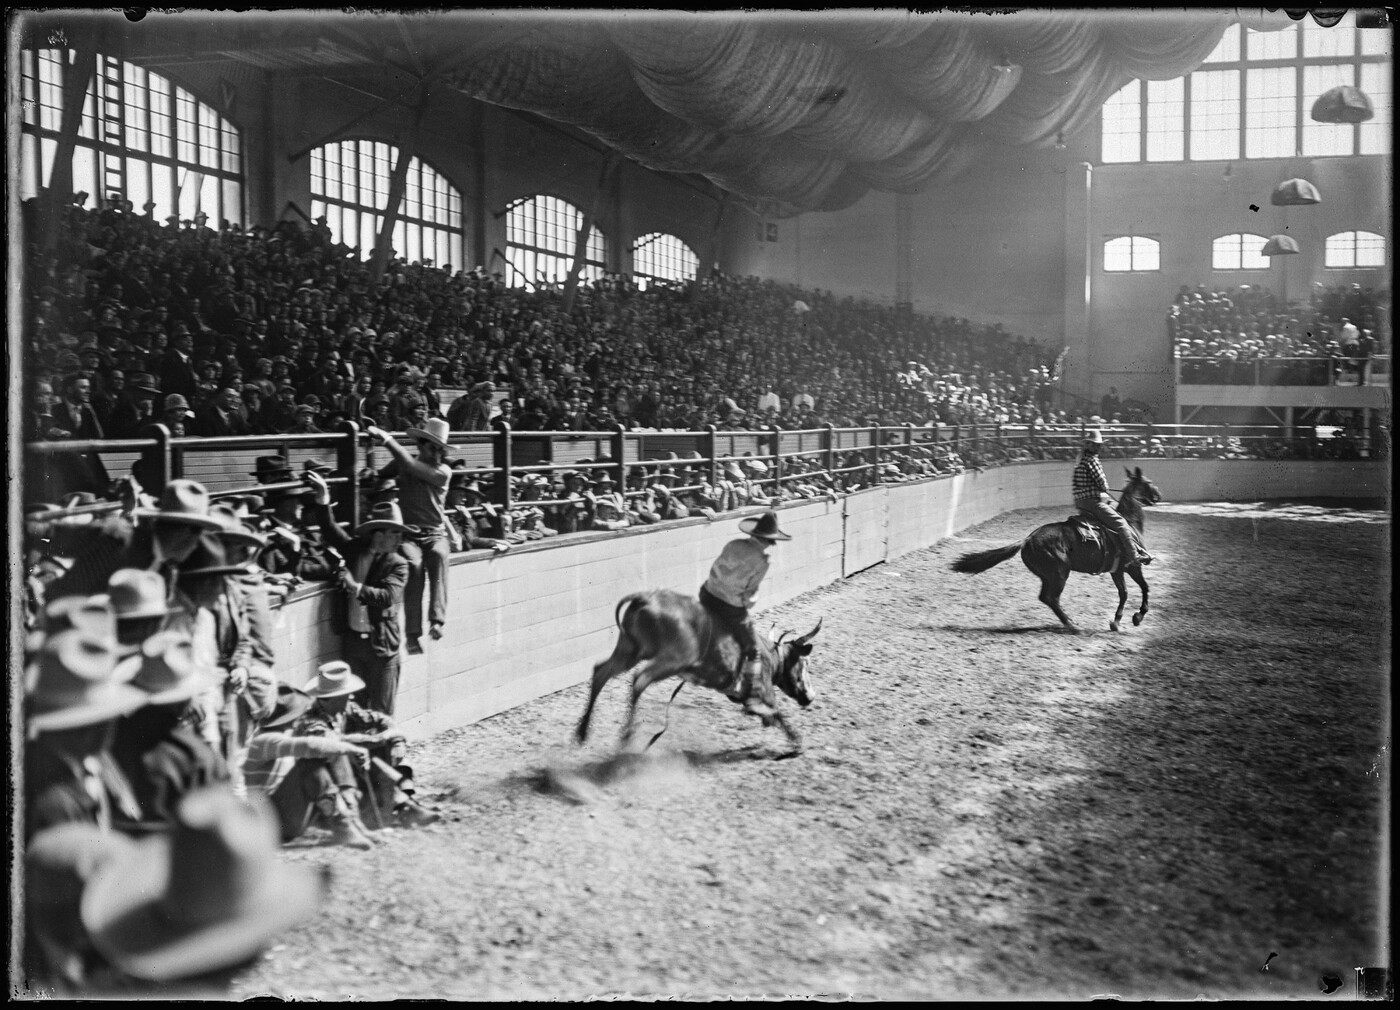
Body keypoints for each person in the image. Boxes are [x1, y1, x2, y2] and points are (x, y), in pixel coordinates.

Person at [306, 472, 411, 715]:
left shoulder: (399, 563)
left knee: (382, 712)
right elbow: (330, 529)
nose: (399, 539)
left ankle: (382, 752)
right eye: (394, 533)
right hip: (354, 643)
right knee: (357, 710)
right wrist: (323, 499)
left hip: (382, 647)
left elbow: (386, 597)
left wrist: (353, 586)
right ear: (379, 534)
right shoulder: (356, 550)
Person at [242, 681, 379, 849]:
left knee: (333, 751)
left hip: (281, 815)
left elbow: (324, 744)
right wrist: (351, 748)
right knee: (310, 765)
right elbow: (310, 746)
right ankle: (344, 827)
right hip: (267, 822)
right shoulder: (263, 741)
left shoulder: (283, 736)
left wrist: (346, 748)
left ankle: (353, 822)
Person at [367, 417, 452, 654]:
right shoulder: (406, 464)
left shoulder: (443, 471)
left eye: (440, 449)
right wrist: (372, 476)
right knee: (413, 565)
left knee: (437, 555)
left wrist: (385, 438)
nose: (437, 454)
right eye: (432, 447)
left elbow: (411, 466)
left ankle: (437, 620)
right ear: (421, 446)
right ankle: (412, 634)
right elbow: (382, 476)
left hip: (435, 534)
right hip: (410, 535)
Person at [698, 509, 792, 716]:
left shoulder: (733, 545)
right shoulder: (763, 561)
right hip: (729, 606)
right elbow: (749, 593)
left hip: (707, 595)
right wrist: (747, 604)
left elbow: (715, 570)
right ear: (769, 540)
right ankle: (750, 696)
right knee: (753, 649)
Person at [1073, 429, 1153, 567]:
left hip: (1081, 502)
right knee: (1121, 523)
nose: (1097, 447)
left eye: (1098, 445)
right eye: (1094, 445)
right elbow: (1102, 484)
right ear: (1088, 445)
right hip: (1093, 502)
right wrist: (1104, 488)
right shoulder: (1092, 460)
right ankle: (1134, 557)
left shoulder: (1080, 460)